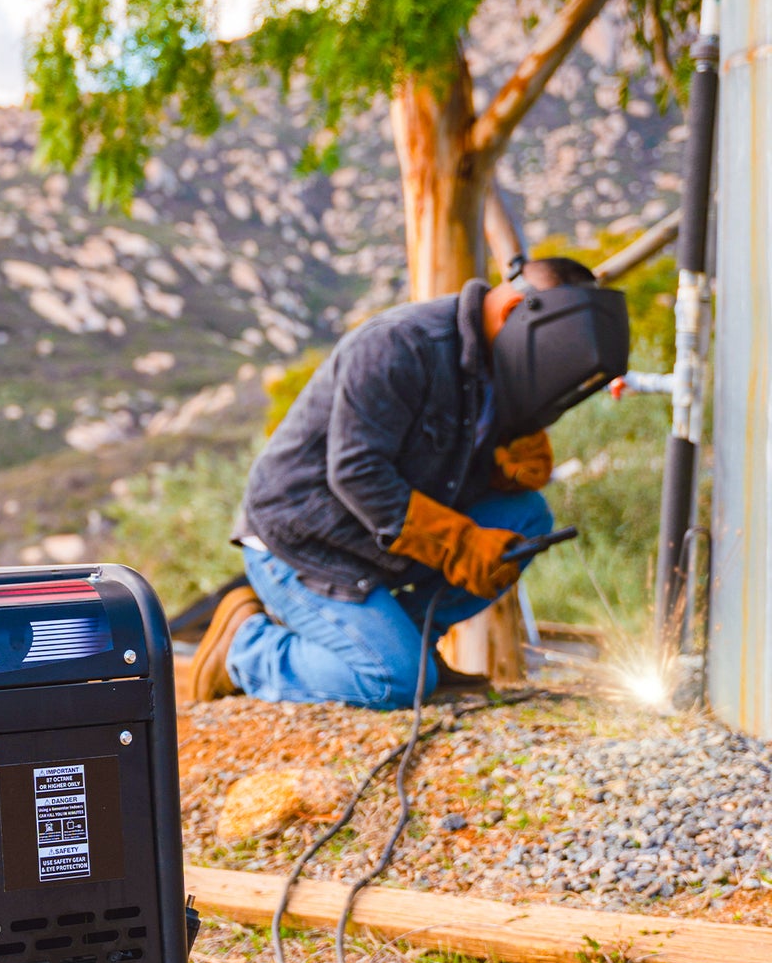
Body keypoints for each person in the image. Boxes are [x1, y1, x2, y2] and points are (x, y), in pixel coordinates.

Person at [189, 257, 628, 707]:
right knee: (393, 682)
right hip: (302, 545)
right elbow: (359, 474)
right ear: (515, 311)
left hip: (376, 543)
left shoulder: (498, 369)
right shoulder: (402, 344)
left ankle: (418, 646)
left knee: (525, 519)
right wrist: (457, 544)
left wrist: (500, 467)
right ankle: (246, 651)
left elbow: (448, 471)